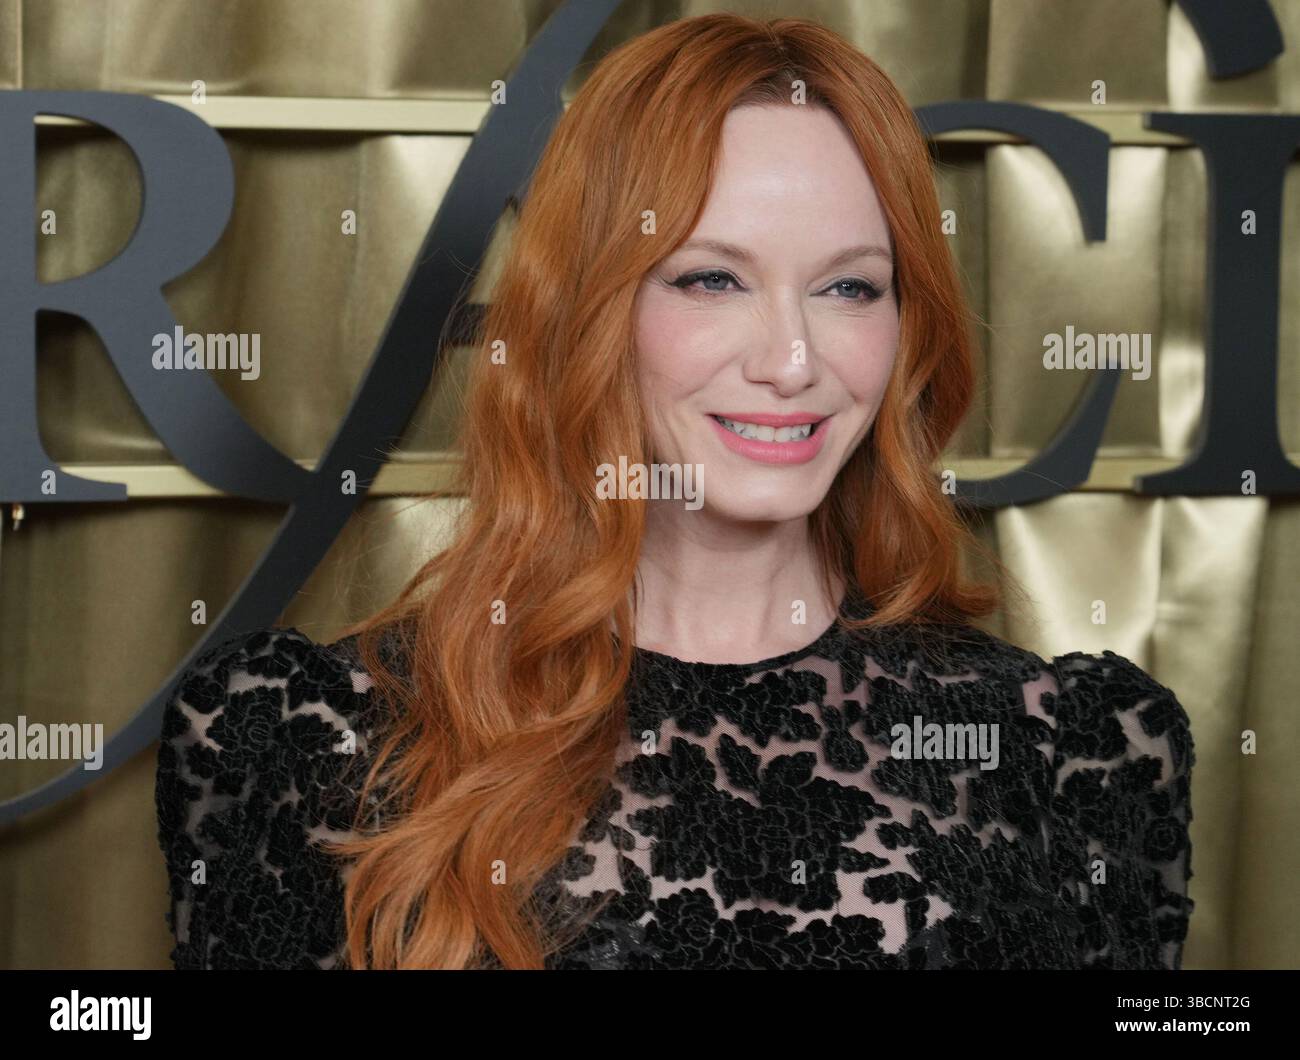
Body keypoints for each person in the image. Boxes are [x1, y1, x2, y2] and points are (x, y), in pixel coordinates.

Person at [154, 12, 1194, 970]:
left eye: (848, 286)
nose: (791, 361)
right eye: (712, 278)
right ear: (587, 312)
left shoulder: (1073, 753)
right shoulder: (305, 740)